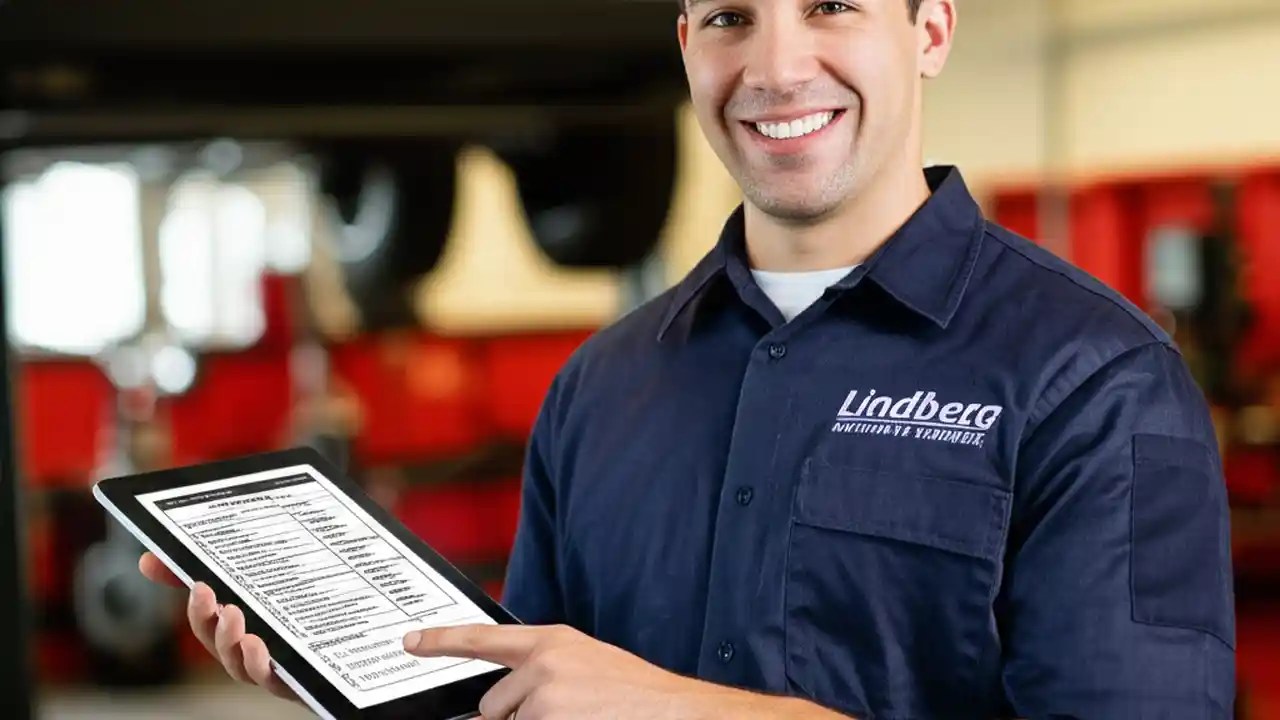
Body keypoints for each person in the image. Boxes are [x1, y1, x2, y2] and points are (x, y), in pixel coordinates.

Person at [140, 0, 1237, 716]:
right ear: (682, 45)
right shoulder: (602, 385)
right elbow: (531, 698)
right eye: (728, 18)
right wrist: (350, 669)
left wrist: (671, 707)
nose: (773, 67)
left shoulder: (1091, 378)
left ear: (931, 29)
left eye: (827, 9)